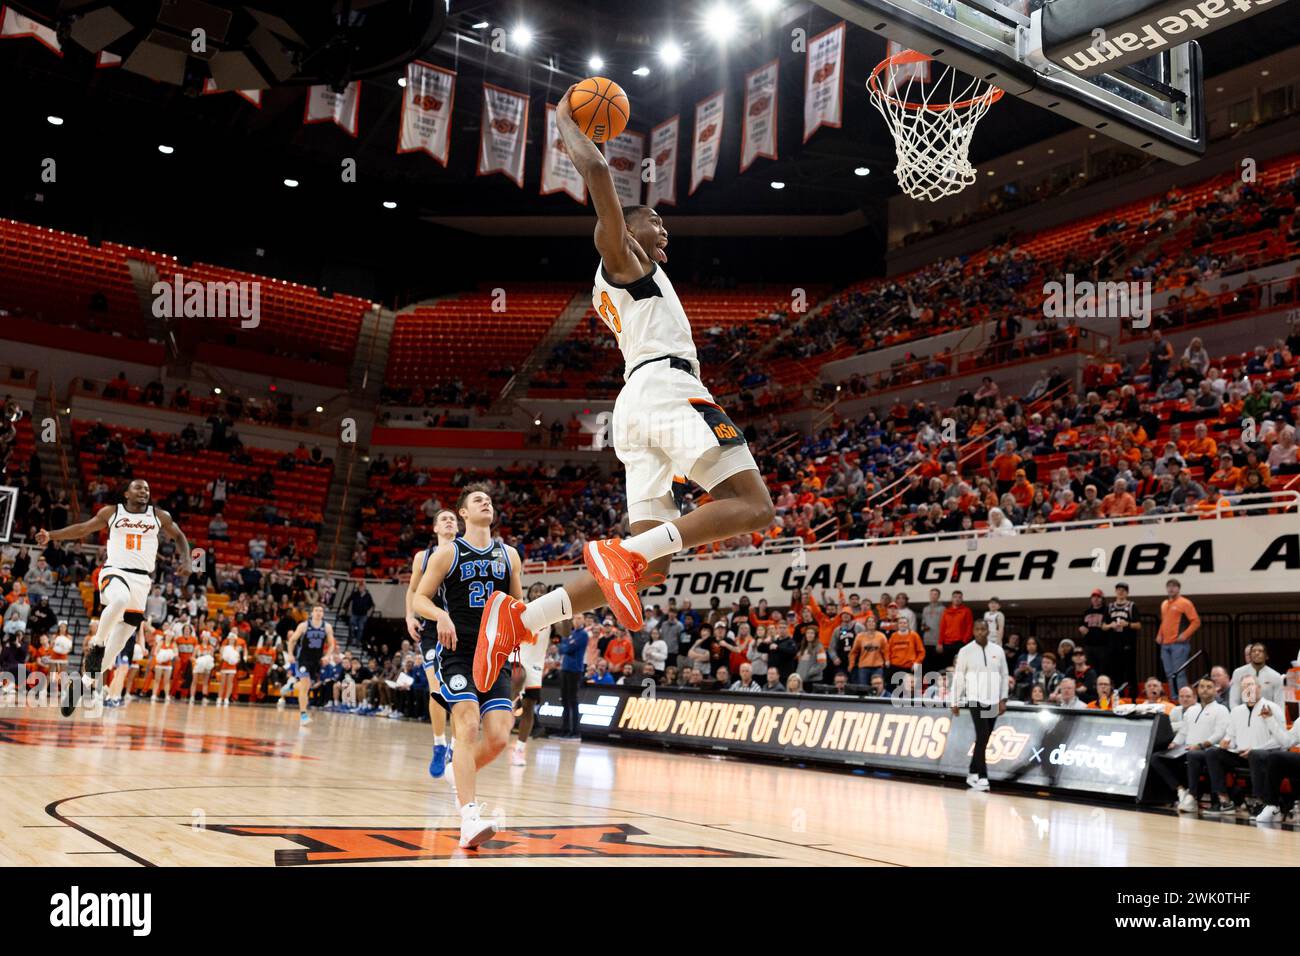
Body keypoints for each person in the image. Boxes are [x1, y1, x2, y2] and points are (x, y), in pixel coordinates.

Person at [470, 83, 776, 687]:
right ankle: (618, 555)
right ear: (629, 230)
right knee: (754, 506)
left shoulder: (636, 279)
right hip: (667, 390)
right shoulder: (622, 256)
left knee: (652, 567)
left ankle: (519, 618)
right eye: (654, 218)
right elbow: (598, 172)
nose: (664, 228)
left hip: (638, 405)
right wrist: (564, 116)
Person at [412, 484, 525, 849]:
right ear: (462, 513)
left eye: (489, 500)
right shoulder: (447, 554)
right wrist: (441, 615)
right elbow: (419, 598)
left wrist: (525, 627)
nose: (486, 502)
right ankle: (469, 816)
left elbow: (517, 603)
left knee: (498, 739)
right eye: (478, 500)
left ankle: (455, 773)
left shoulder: (509, 555)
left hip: (496, 655)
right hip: (458, 652)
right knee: (467, 723)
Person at [36, 478, 191, 715]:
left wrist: (187, 560)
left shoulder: (159, 516)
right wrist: (51, 535)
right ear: (126, 493)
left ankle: (81, 684)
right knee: (118, 600)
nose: (144, 491)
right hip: (115, 572)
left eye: (147, 489)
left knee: (114, 650)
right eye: (138, 488)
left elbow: (179, 537)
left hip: (142, 582)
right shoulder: (112, 512)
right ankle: (97, 643)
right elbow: (82, 529)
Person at [405, 508, 459, 777]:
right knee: (436, 687)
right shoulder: (423, 558)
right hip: (432, 629)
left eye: (453, 519)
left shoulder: (468, 553)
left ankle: (456, 748)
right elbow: (414, 590)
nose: (450, 521)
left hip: (462, 629)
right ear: (436, 528)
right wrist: (408, 616)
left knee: (460, 691)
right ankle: (439, 745)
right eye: (444, 519)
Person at [1200, 675, 1279, 815]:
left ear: (1259, 688)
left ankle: (1260, 803)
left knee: (1255, 754)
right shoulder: (1237, 711)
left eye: (1251, 685)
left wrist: (1256, 749)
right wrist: (1226, 741)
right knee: (1212, 752)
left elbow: (1279, 739)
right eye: (1244, 686)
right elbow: (1231, 735)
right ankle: (1224, 801)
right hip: (1239, 754)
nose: (1247, 689)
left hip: (1264, 755)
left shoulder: (1272, 708)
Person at [1151, 678, 1228, 812]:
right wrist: (1174, 743)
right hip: (1186, 749)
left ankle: (1192, 797)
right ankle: (1180, 789)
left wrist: (1200, 745)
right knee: (1156, 757)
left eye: (1209, 687)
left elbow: (1220, 734)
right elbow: (1183, 732)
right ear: (1197, 690)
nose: (1205, 689)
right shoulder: (1191, 710)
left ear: (1215, 690)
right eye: (1202, 686)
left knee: (1193, 754)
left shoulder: (1221, 709)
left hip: (1208, 750)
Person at [951, 620, 1008, 791]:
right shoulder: (965, 651)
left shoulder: (998, 650)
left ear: (988, 630)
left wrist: (1003, 698)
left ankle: (972, 772)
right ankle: (983, 776)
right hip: (974, 699)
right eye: (977, 629)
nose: (981, 632)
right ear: (973, 631)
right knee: (982, 735)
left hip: (993, 700)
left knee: (984, 738)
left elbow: (1004, 674)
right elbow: (959, 677)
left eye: (984, 629)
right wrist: (955, 700)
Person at [511, 582, 552, 766]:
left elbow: (566, 633)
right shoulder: (522, 609)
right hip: (517, 656)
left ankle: (519, 749)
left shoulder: (553, 614)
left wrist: (567, 613)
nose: (538, 593)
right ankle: (510, 704)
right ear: (529, 593)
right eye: (535, 590)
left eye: (542, 591)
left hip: (536, 664)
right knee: (518, 675)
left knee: (529, 708)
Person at [285, 605, 335, 728]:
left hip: (316, 661)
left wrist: (327, 656)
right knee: (306, 685)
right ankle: (303, 715)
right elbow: (292, 640)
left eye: (321, 611)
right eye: (316, 610)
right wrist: (290, 654)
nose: (319, 613)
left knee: (306, 686)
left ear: (323, 614)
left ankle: (292, 685)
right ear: (311, 613)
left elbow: (331, 644)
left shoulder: (327, 627)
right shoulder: (304, 625)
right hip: (303, 660)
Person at [1157, 578, 1199, 693]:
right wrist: (1159, 634)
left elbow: (1196, 621)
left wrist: (1184, 635)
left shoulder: (1185, 603)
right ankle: (1175, 698)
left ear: (1178, 588)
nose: (1171, 588)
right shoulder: (1164, 604)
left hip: (1179, 644)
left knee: (1179, 673)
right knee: (1169, 673)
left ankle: (1183, 698)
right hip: (1165, 644)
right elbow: (1164, 621)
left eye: (1174, 586)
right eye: (1169, 586)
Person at [557, 615, 588, 739]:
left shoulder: (583, 635)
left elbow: (568, 648)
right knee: (564, 699)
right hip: (565, 669)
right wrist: (566, 646)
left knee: (573, 700)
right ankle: (564, 729)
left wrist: (566, 646)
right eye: (575, 618)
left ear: (583, 620)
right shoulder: (571, 634)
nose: (577, 620)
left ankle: (575, 731)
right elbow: (562, 648)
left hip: (575, 670)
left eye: (580, 618)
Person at [1229, 643, 1286, 708]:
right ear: (1250, 656)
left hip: (1267, 714)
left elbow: (1279, 704)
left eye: (1260, 651)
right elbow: (1234, 701)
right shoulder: (1238, 673)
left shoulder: (1275, 676)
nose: (1257, 653)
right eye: (1253, 651)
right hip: (1243, 714)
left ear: (1267, 656)